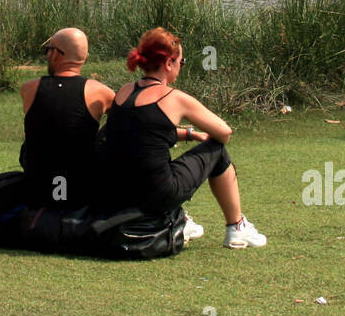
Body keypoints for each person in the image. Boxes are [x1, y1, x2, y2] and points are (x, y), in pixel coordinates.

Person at [100, 28, 266, 248]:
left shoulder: (123, 92)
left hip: (119, 192)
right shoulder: (174, 98)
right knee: (216, 149)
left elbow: (143, 131)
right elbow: (224, 133)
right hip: (157, 194)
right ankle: (236, 227)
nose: (180, 66)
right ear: (169, 63)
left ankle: (181, 217)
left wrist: (189, 134)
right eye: (181, 61)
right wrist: (202, 134)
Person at [19, 28, 115, 210]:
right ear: (84, 58)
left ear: (55, 54)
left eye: (48, 49)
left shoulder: (29, 89)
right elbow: (123, 120)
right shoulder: (101, 92)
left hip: (38, 186)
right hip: (80, 187)